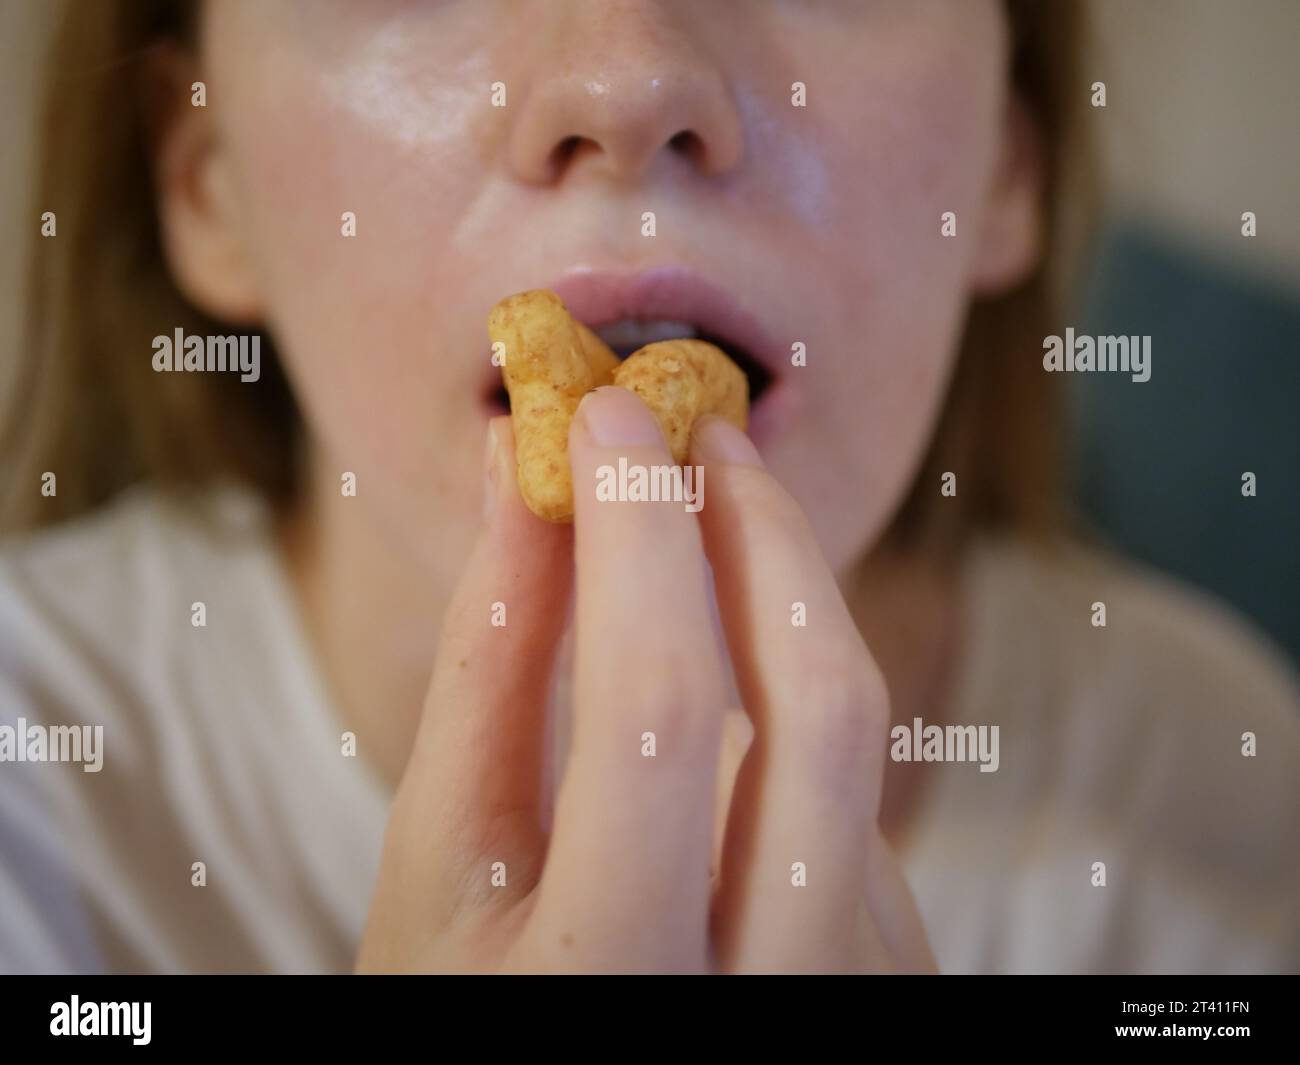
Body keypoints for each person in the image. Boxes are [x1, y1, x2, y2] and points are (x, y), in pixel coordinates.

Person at [1, 0, 1296, 974]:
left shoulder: (1229, 818)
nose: (631, 83)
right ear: (202, 180)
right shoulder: (35, 806)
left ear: (1010, 165)